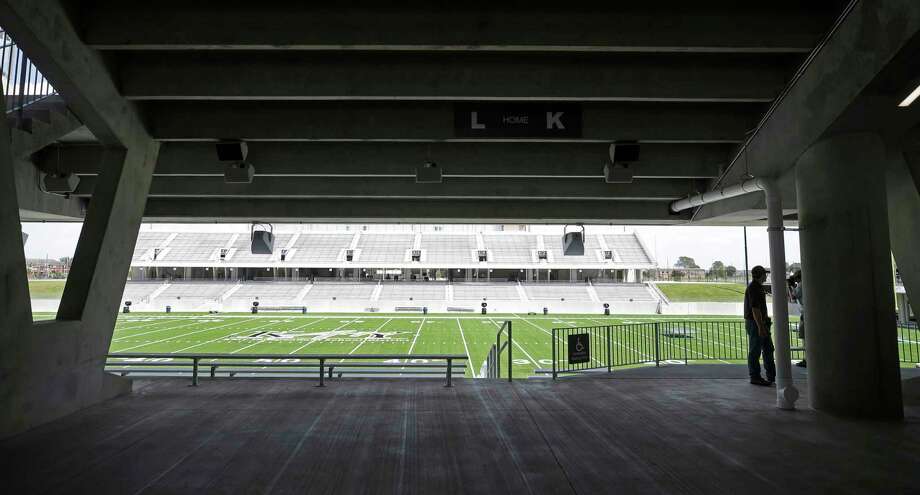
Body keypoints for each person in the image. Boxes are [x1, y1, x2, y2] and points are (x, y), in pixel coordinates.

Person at [744, 265, 775, 386]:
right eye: (765, 274)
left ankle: (771, 376)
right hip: (756, 324)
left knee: (768, 349)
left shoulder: (757, 288)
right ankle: (755, 376)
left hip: (760, 323)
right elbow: (755, 309)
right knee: (755, 350)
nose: (766, 276)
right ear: (761, 275)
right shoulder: (754, 288)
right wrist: (761, 327)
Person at [790, 270, 806, 368]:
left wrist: (791, 286)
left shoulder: (800, 285)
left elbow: (793, 297)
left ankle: (806, 360)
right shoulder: (802, 284)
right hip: (806, 314)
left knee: (805, 338)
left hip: (805, 315)